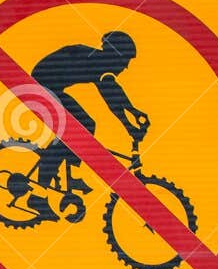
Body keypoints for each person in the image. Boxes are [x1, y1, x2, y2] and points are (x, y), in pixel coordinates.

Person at [26, 31, 148, 219]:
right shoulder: (95, 62)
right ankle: (37, 195)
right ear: (114, 55)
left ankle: (71, 174)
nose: (125, 68)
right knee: (74, 131)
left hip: (49, 86)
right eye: (125, 61)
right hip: (39, 87)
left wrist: (131, 113)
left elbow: (113, 93)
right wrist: (129, 124)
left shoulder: (98, 63)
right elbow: (112, 96)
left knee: (87, 125)